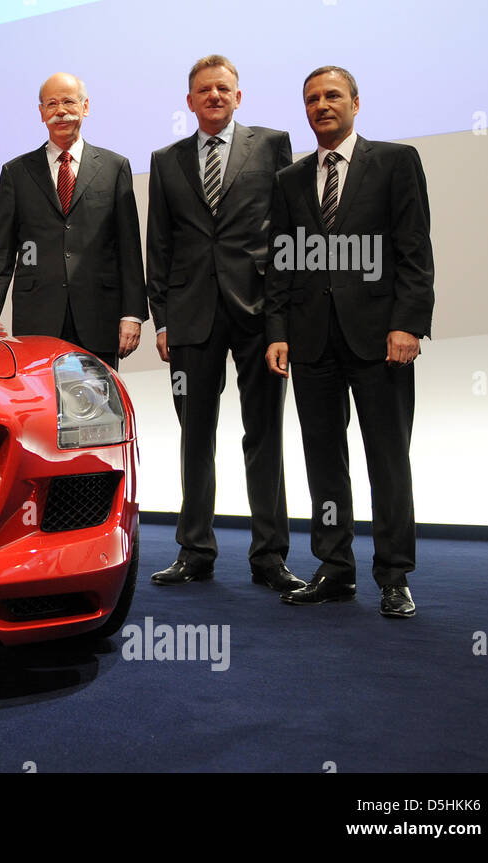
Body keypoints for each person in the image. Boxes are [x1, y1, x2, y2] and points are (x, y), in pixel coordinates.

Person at [264, 66, 434, 618]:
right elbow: (282, 265)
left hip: (381, 340)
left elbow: (414, 252)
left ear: (356, 103)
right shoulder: (289, 180)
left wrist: (408, 323)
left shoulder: (395, 161)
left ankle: (394, 575)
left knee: (388, 459)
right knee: (324, 463)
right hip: (313, 343)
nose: (321, 106)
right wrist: (278, 331)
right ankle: (335, 568)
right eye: (311, 99)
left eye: (332, 96)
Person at [145, 55, 301, 591]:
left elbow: (287, 232)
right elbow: (159, 244)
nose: (214, 96)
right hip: (190, 316)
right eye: (204, 90)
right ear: (189, 101)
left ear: (239, 96)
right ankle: (195, 551)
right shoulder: (165, 161)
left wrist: (282, 320)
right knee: (195, 436)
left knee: (265, 434)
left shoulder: (272, 144)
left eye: (223, 88)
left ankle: (270, 556)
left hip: (258, 314)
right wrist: (161, 319)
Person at [0, 72, 147, 369]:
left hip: (99, 314)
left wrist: (132, 314)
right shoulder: (16, 173)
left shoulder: (114, 167)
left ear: (86, 106)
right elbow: (0, 250)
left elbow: (129, 247)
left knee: (99, 403)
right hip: (37, 316)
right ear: (41, 113)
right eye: (51, 104)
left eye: (69, 101)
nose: (61, 111)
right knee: (43, 403)